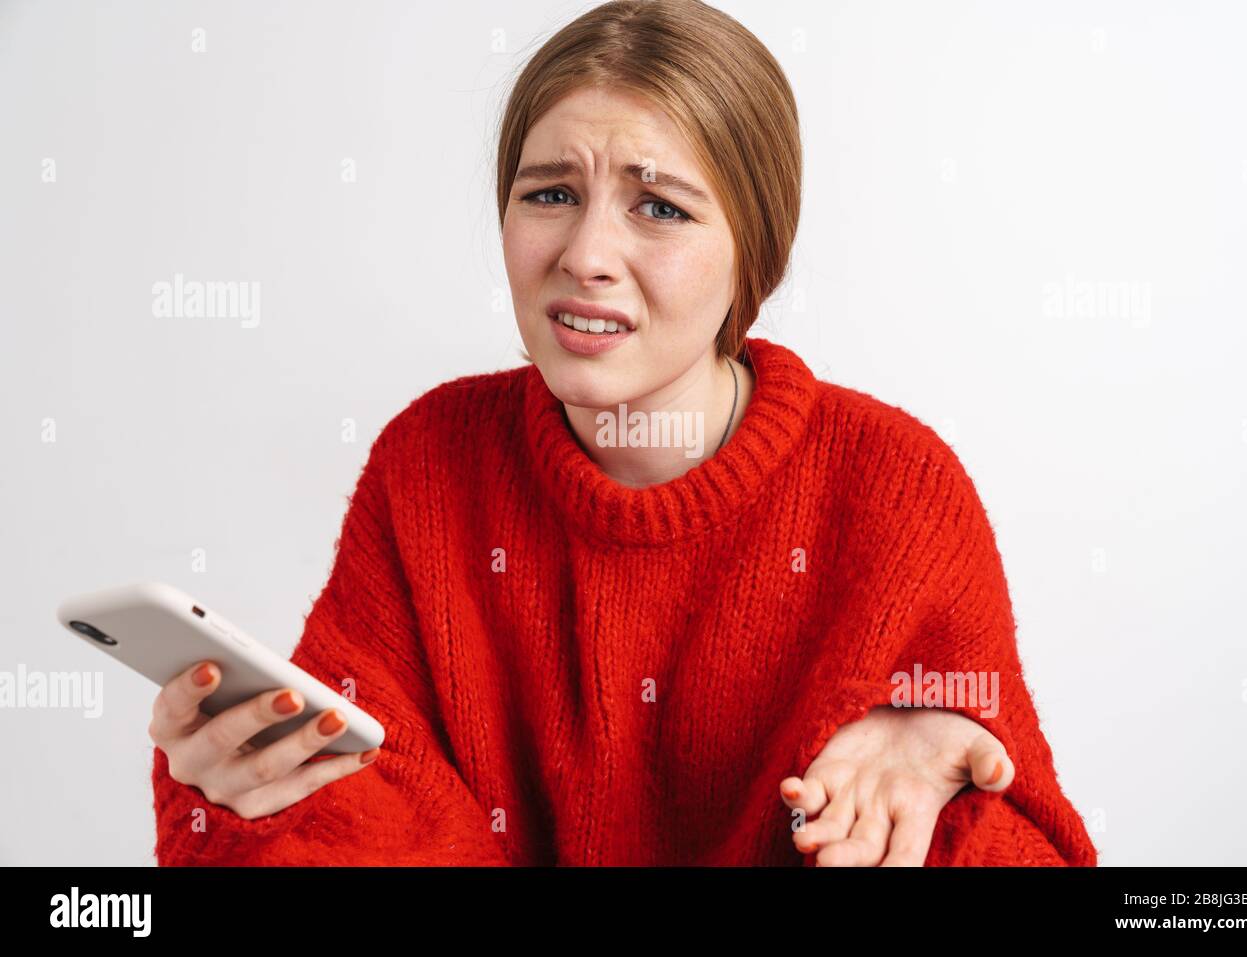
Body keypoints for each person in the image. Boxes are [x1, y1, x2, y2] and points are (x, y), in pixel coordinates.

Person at [149, 0, 1096, 867]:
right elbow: (377, 820)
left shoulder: (897, 487)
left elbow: (1031, 850)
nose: (585, 256)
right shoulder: (429, 460)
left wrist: (939, 784)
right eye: (550, 193)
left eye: (660, 207)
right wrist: (245, 803)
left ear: (752, 251)